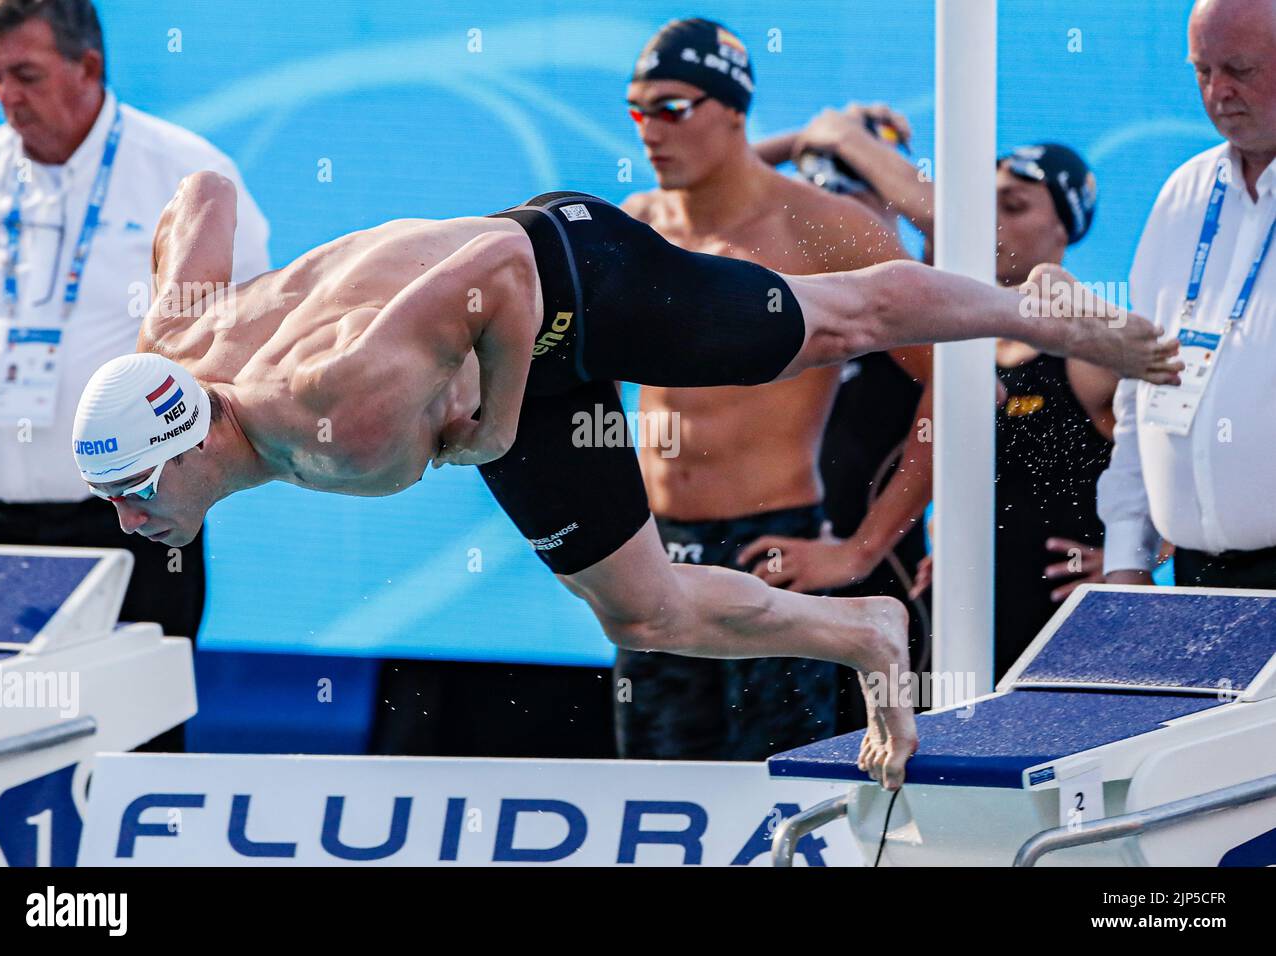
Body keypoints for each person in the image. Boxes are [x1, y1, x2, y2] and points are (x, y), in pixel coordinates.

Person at [70, 168, 1178, 789]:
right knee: (645, 611)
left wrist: (499, 414)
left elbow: (497, 264)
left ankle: (1035, 305)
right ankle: (868, 631)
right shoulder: (176, 351)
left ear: (184, 442)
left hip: (565, 273)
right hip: (499, 351)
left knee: (833, 321)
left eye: (130, 491)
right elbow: (203, 192)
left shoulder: (336, 406)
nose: (129, 520)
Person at [611, 18, 932, 761]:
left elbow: (959, 385)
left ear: (732, 110)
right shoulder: (637, 226)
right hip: (654, 554)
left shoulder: (822, 230)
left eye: (671, 109)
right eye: (637, 111)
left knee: (780, 799)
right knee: (657, 806)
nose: (649, 131)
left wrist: (859, 549)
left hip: (769, 549)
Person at [0, 0, 270, 750]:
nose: (7, 96)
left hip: (132, 520)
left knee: (135, 745)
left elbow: (244, 346)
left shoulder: (187, 177)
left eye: (27, 75)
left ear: (89, 67)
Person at [754, 104, 1123, 679]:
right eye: (986, 203)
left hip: (1065, 633)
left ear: (1064, 230)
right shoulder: (947, 345)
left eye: (1015, 206)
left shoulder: (1084, 351)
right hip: (961, 623)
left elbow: (1185, 445)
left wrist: (1135, 559)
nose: (992, 221)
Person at [1100, 0, 1276, 591]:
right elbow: (1137, 382)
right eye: (1202, 71)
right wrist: (1126, 556)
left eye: (1239, 69)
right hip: (1198, 578)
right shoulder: (1184, 193)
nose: (1218, 91)